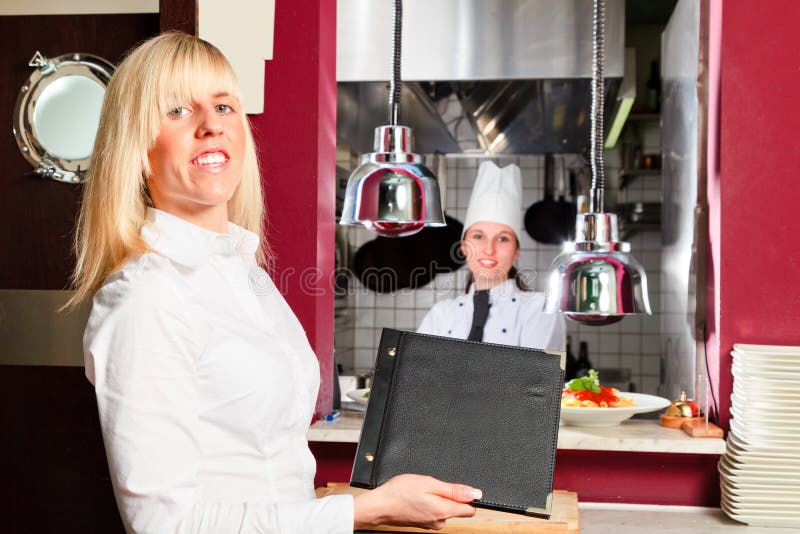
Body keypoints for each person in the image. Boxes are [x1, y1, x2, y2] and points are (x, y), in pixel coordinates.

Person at [70, 32, 480, 533]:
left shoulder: (246, 274)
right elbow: (162, 524)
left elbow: (270, 468)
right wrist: (366, 510)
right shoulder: (145, 298)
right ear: (136, 150)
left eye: (223, 106)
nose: (209, 127)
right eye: (176, 110)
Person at [417, 161, 566, 352]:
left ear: (516, 251)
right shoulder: (441, 314)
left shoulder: (540, 309)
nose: (489, 249)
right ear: (463, 246)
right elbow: (417, 377)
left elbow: (538, 380)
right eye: (478, 236)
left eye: (502, 239)